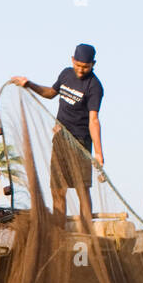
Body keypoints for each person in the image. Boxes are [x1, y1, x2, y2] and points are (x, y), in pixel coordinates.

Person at [11, 44, 105, 221]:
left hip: (79, 142)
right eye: (78, 65)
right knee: (57, 189)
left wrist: (99, 153)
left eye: (85, 67)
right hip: (60, 138)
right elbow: (50, 93)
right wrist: (29, 84)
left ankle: (87, 232)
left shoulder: (95, 87)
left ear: (93, 64)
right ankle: (59, 231)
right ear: (72, 60)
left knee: (81, 189)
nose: (81, 70)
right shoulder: (66, 74)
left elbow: (94, 120)